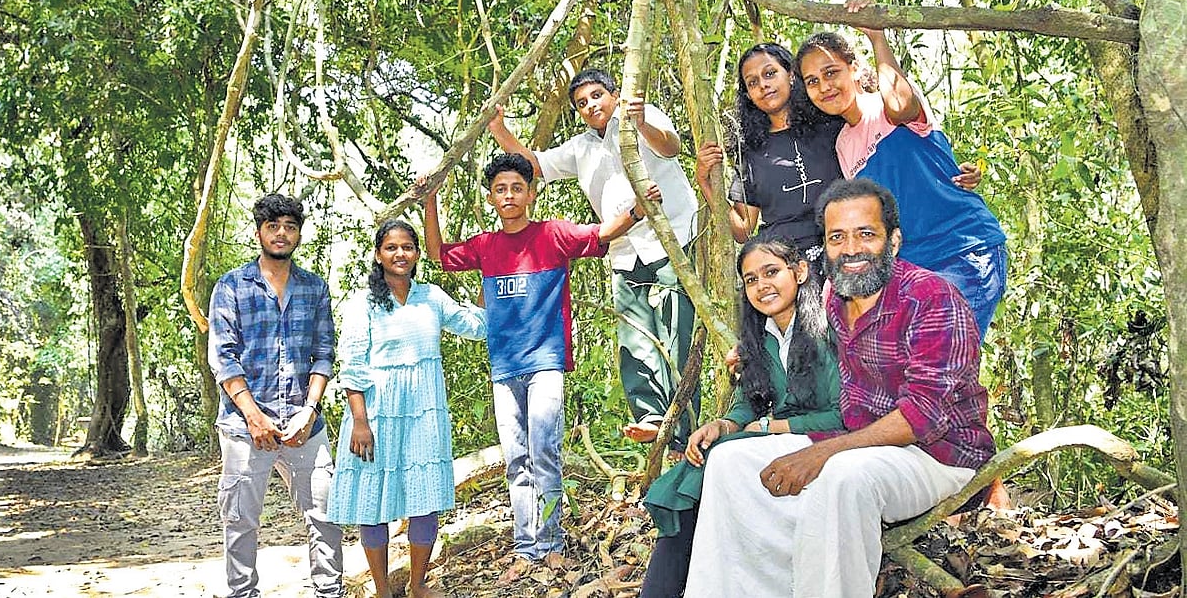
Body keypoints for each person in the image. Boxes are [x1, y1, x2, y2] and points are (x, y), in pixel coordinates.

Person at [683, 178, 994, 597]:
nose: (850, 249)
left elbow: (921, 418)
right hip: (860, 442)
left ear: (893, 241)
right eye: (837, 237)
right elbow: (793, 344)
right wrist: (751, 356)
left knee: (843, 477)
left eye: (865, 234)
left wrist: (823, 451)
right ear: (824, 246)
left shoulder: (930, 297)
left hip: (938, 455)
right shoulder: (835, 299)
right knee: (730, 461)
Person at [423, 153, 662, 584]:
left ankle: (550, 544)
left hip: (545, 364)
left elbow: (602, 233)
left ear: (531, 193)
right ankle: (525, 546)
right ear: (491, 198)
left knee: (544, 454)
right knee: (517, 460)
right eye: (500, 189)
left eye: (517, 187)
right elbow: (439, 255)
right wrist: (430, 199)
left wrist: (637, 210)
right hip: (504, 367)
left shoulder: (552, 235)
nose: (509, 195)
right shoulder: (486, 246)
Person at [488, 68, 698, 455]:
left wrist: (640, 122)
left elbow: (671, 146)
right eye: (582, 103)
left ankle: (685, 428)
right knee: (634, 336)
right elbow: (535, 165)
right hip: (624, 249)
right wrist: (499, 129)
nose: (591, 106)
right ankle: (652, 417)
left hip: (671, 237)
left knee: (677, 332)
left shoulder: (641, 114)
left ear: (614, 94)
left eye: (597, 95)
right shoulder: (581, 147)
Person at [639, 236, 842, 598]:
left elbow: (845, 416)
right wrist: (724, 424)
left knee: (705, 473)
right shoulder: (759, 336)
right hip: (775, 443)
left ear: (799, 272)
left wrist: (775, 426)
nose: (762, 285)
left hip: (825, 445)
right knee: (699, 471)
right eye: (751, 279)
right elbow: (752, 401)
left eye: (771, 272)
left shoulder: (830, 328)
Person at [796, 2, 1007, 335]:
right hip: (910, 268)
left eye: (831, 72)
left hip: (961, 249)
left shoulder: (888, 102)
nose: (824, 87)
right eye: (812, 81)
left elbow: (900, 106)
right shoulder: (843, 145)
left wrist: (876, 36)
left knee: (942, 353)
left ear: (854, 68)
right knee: (911, 358)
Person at [696, 42, 981, 279]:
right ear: (747, 95)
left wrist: (949, 174)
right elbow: (743, 230)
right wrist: (706, 182)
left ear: (791, 76)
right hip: (785, 270)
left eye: (770, 73)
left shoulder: (834, 125)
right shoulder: (751, 152)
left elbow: (893, 151)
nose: (763, 85)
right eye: (753, 82)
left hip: (845, 259)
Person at [327, 220, 486, 598]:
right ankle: (383, 590)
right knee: (373, 503)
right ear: (378, 254)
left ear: (416, 254)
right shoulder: (363, 303)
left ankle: (417, 585)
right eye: (391, 247)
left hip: (424, 413)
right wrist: (360, 421)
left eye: (407, 247)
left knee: (424, 499)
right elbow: (352, 365)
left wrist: (491, 275)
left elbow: (476, 326)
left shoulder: (431, 297)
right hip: (375, 415)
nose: (400, 254)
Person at [208, 193, 344, 598]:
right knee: (240, 519)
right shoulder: (231, 286)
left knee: (326, 511)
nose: (281, 234)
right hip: (244, 426)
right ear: (259, 233)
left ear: (298, 235)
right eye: (273, 226)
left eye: (289, 227)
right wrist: (253, 416)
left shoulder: (314, 288)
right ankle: (243, 593)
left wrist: (309, 410)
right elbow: (223, 357)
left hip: (304, 424)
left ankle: (329, 592)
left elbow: (324, 353)